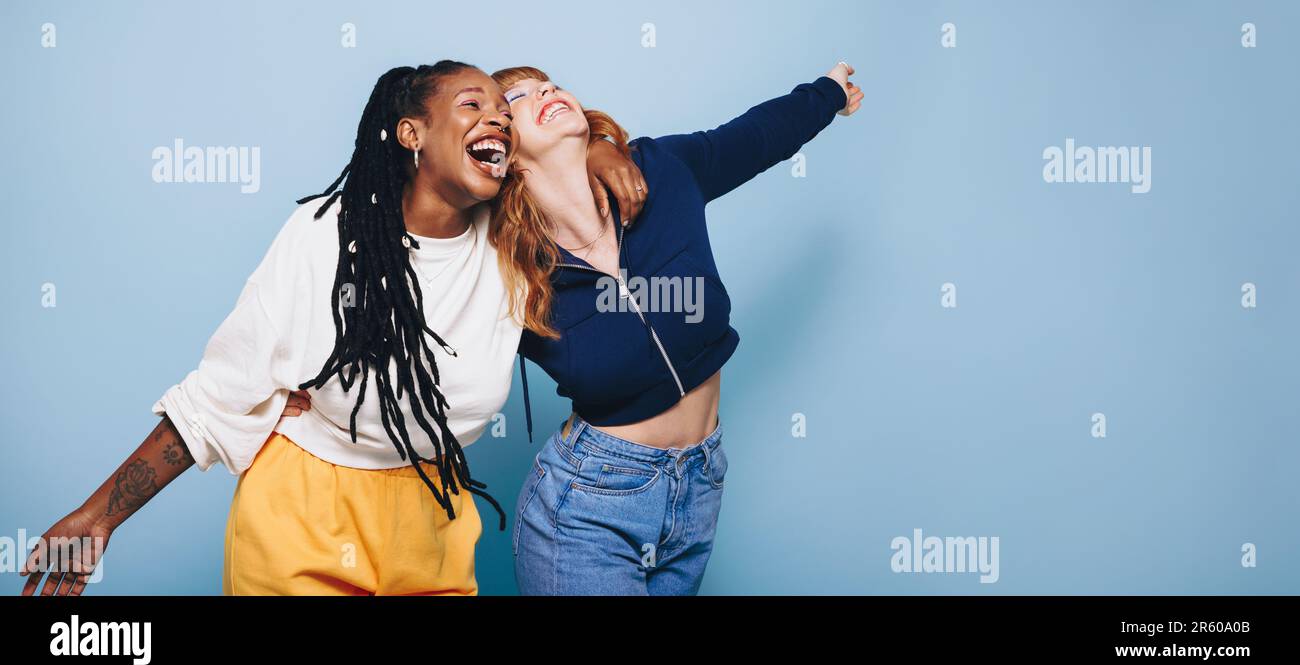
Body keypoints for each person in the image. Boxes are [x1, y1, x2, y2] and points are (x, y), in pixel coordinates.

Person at [20, 60, 646, 596]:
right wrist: (99, 515)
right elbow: (221, 396)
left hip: (433, 518)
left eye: (505, 119)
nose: (498, 121)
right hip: (304, 513)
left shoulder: (512, 242)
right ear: (412, 134)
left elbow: (564, 158)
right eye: (472, 104)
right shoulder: (328, 236)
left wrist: (598, 144)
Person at [491, 62, 863, 595]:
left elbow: (755, 136)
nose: (545, 89)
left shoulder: (662, 170)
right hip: (586, 508)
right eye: (520, 96)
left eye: (548, 82)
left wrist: (826, 93)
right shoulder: (506, 266)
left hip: (699, 484)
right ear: (502, 152)